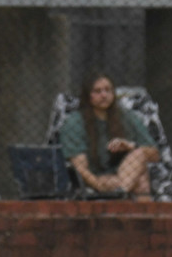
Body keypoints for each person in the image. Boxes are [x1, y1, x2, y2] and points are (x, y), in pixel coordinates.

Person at [58, 71, 161, 200]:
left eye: (108, 90)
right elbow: (80, 167)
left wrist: (130, 146)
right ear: (87, 95)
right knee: (141, 180)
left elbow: (155, 154)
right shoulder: (74, 122)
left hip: (124, 175)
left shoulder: (127, 116)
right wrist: (98, 185)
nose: (104, 95)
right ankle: (141, 215)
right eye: (97, 91)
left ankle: (120, 192)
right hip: (97, 178)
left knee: (139, 154)